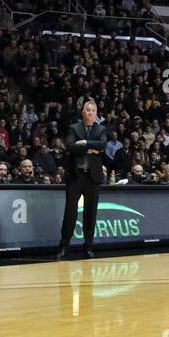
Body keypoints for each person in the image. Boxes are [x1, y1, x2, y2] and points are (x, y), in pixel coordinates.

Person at [59, 100, 107, 259]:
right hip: (75, 176)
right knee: (70, 212)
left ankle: (88, 246)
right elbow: (70, 145)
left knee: (90, 213)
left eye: (93, 111)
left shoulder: (101, 129)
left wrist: (85, 143)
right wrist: (91, 149)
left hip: (92, 178)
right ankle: (64, 246)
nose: (91, 113)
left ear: (96, 113)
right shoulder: (74, 128)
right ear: (83, 112)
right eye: (88, 110)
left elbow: (102, 144)